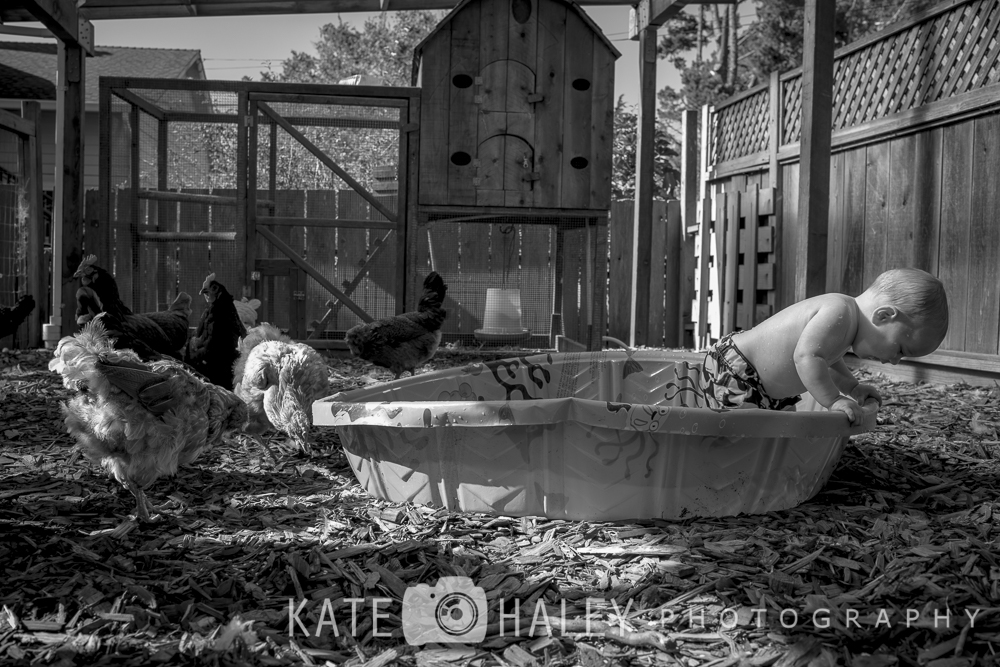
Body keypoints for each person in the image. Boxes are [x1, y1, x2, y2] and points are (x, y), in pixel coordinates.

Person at [702, 268, 949, 425]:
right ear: (883, 316)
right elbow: (806, 356)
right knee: (738, 438)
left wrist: (853, 388)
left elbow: (827, 362)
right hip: (737, 371)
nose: (895, 361)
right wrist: (833, 401)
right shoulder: (838, 311)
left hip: (762, 386)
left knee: (771, 437)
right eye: (901, 350)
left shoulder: (847, 326)